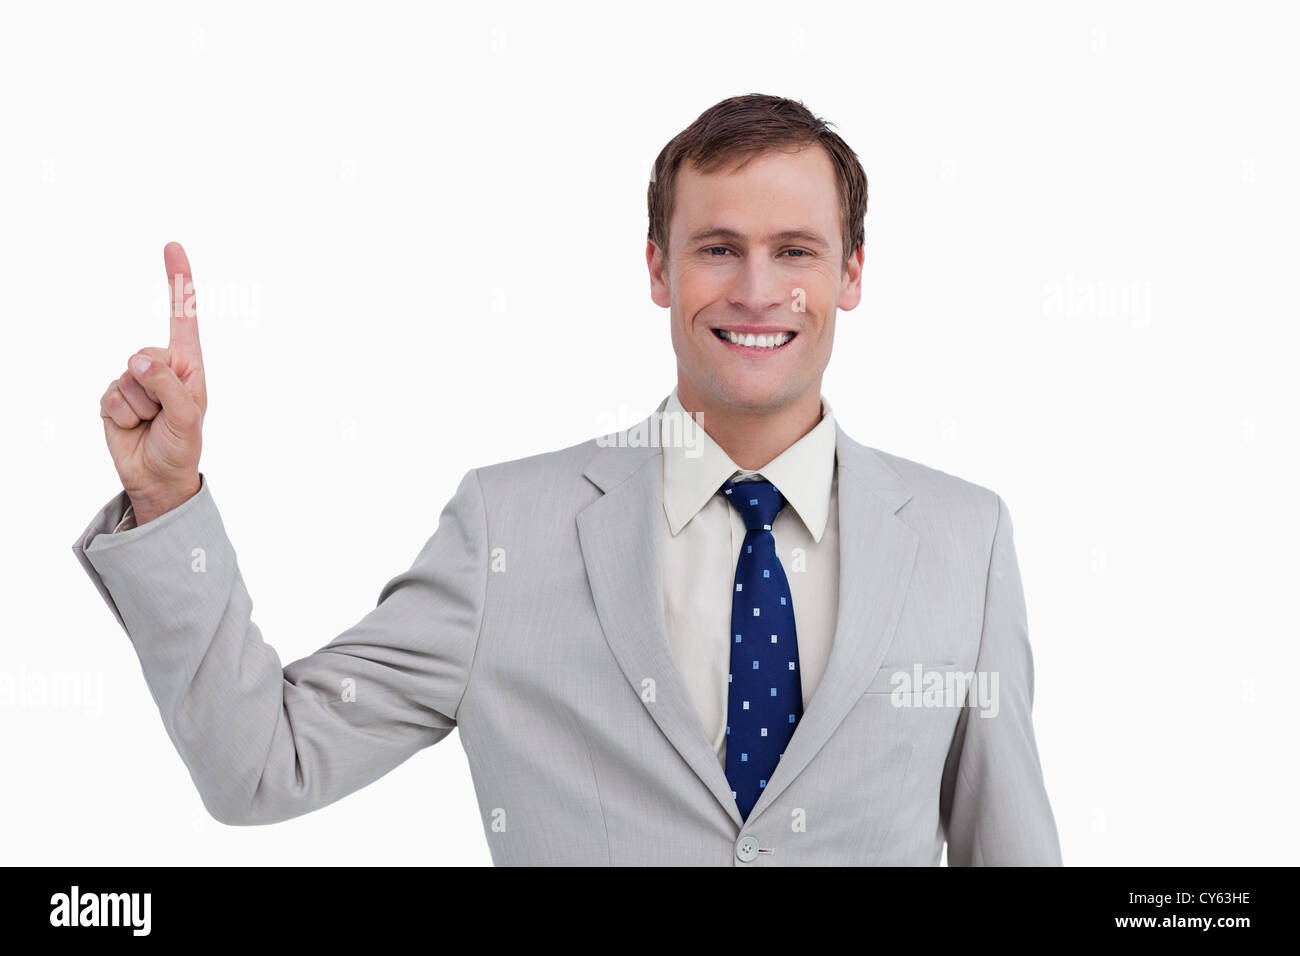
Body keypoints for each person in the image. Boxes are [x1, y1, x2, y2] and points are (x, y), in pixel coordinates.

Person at [73, 93, 1062, 866]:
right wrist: (168, 497)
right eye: (717, 249)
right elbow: (260, 765)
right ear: (657, 270)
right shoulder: (510, 528)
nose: (757, 290)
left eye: (793, 251)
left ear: (850, 273)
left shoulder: (961, 539)